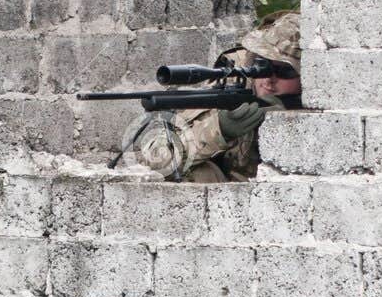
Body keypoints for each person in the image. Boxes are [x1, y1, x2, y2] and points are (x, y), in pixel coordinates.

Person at [128, 11, 301, 183]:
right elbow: (152, 161)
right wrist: (219, 130)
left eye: (284, 72)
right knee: (199, 174)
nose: (268, 80)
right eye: (262, 65)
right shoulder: (235, 89)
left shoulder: (320, 106)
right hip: (231, 199)